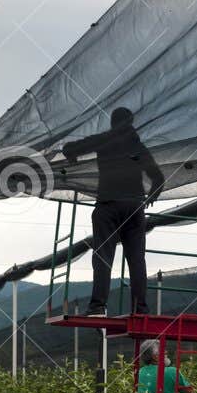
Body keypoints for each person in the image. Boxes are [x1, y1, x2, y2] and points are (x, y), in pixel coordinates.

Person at [61, 107, 164, 317]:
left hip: (108, 204)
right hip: (134, 207)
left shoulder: (104, 140)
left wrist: (71, 157)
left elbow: (69, 148)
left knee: (103, 257)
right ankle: (141, 309)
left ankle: (98, 306)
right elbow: (158, 179)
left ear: (112, 122)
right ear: (132, 122)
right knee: (136, 260)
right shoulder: (138, 146)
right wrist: (148, 199)